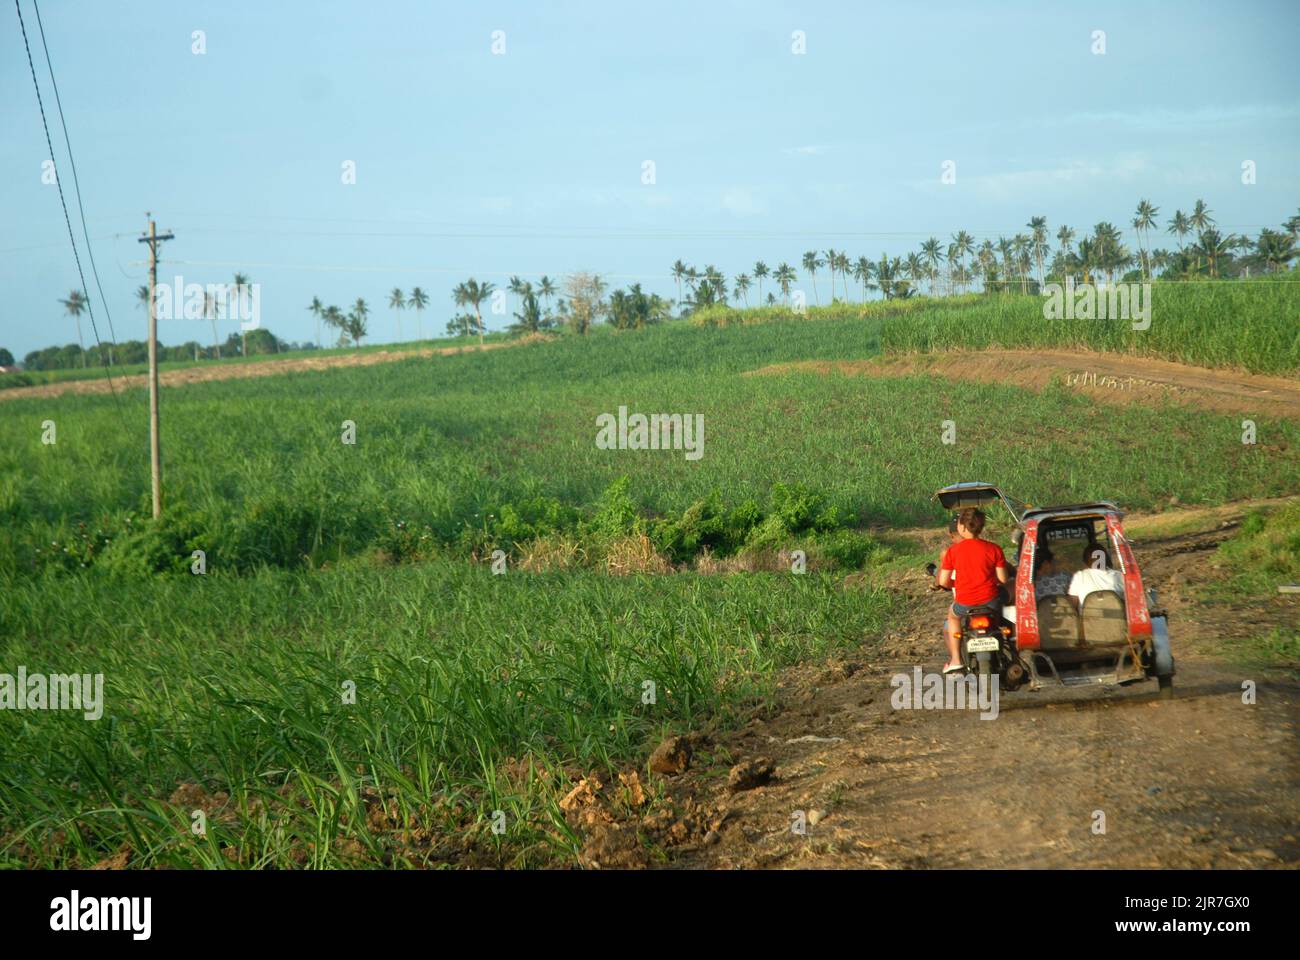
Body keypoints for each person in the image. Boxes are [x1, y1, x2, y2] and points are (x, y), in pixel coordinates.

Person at [937, 507, 1009, 675]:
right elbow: (1003, 579)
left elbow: (943, 581)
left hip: (964, 604)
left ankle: (955, 659)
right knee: (1009, 592)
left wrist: (952, 584)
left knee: (952, 617)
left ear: (961, 528)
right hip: (991, 601)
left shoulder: (952, 552)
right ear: (981, 527)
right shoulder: (994, 549)